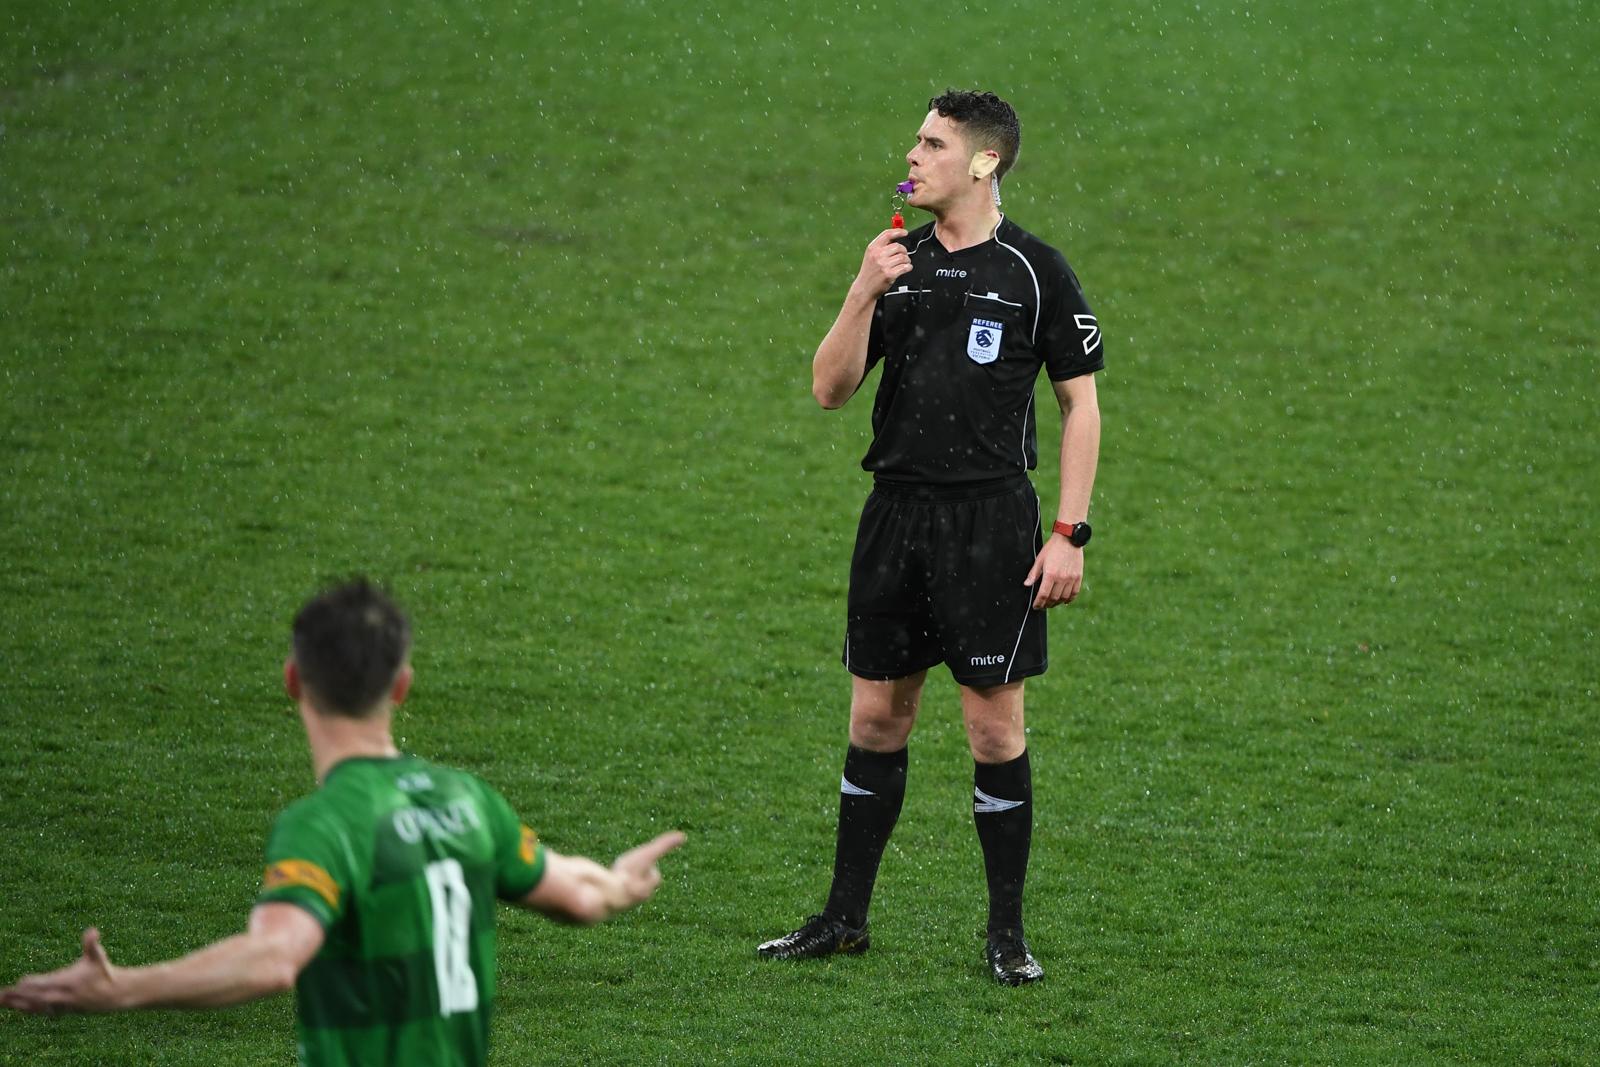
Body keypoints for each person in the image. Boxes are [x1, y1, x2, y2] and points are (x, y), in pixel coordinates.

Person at [1, 579, 684, 1064]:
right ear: (402, 685)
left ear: (293, 679)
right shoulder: (468, 800)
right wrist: (624, 881)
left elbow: (273, 959)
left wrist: (122, 989)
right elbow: (582, 895)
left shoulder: (325, 825)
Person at [757, 90, 1103, 985]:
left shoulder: (1036, 271)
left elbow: (1080, 404)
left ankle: (1006, 934)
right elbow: (829, 389)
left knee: (993, 729)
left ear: (984, 163)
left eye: (932, 143)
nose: (911, 156)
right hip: (896, 515)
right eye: (916, 138)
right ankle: (843, 918)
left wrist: (1068, 531)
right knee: (876, 714)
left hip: (992, 522)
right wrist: (862, 288)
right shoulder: (895, 261)